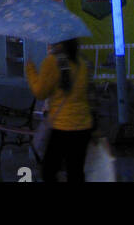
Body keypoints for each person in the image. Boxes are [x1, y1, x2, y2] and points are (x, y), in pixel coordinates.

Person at [25, 37, 94, 183]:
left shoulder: (53, 62)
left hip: (63, 126)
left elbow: (40, 92)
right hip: (84, 125)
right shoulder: (82, 62)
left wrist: (30, 70)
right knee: (75, 171)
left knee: (49, 171)